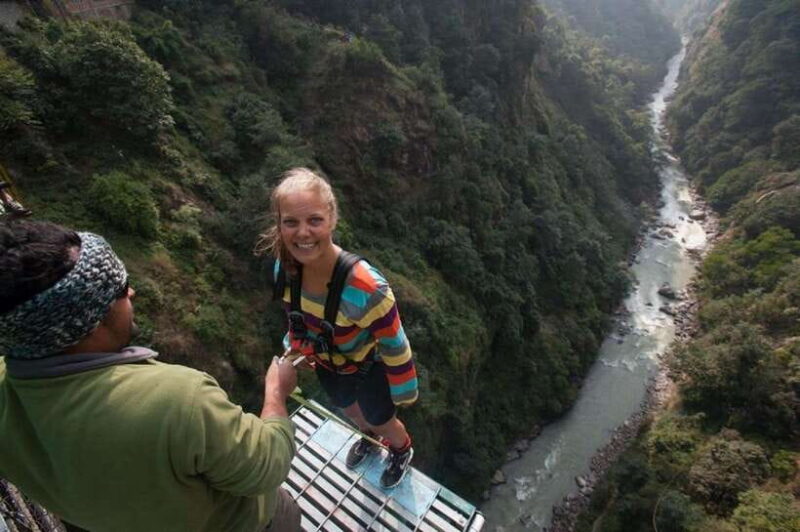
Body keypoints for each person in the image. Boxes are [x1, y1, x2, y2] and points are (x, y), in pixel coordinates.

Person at [0, 220, 301, 531]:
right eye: (119, 288)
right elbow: (266, 465)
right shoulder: (178, 401)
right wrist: (276, 392)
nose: (132, 291)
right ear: (87, 322)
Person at [258, 167, 418, 490]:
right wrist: (293, 345)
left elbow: (393, 343)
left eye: (314, 220)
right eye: (291, 222)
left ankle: (401, 449)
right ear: (280, 225)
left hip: (367, 365)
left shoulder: (365, 287)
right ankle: (369, 437)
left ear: (332, 219)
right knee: (349, 408)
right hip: (328, 361)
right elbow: (296, 315)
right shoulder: (284, 270)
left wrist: (404, 391)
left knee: (380, 417)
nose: (303, 232)